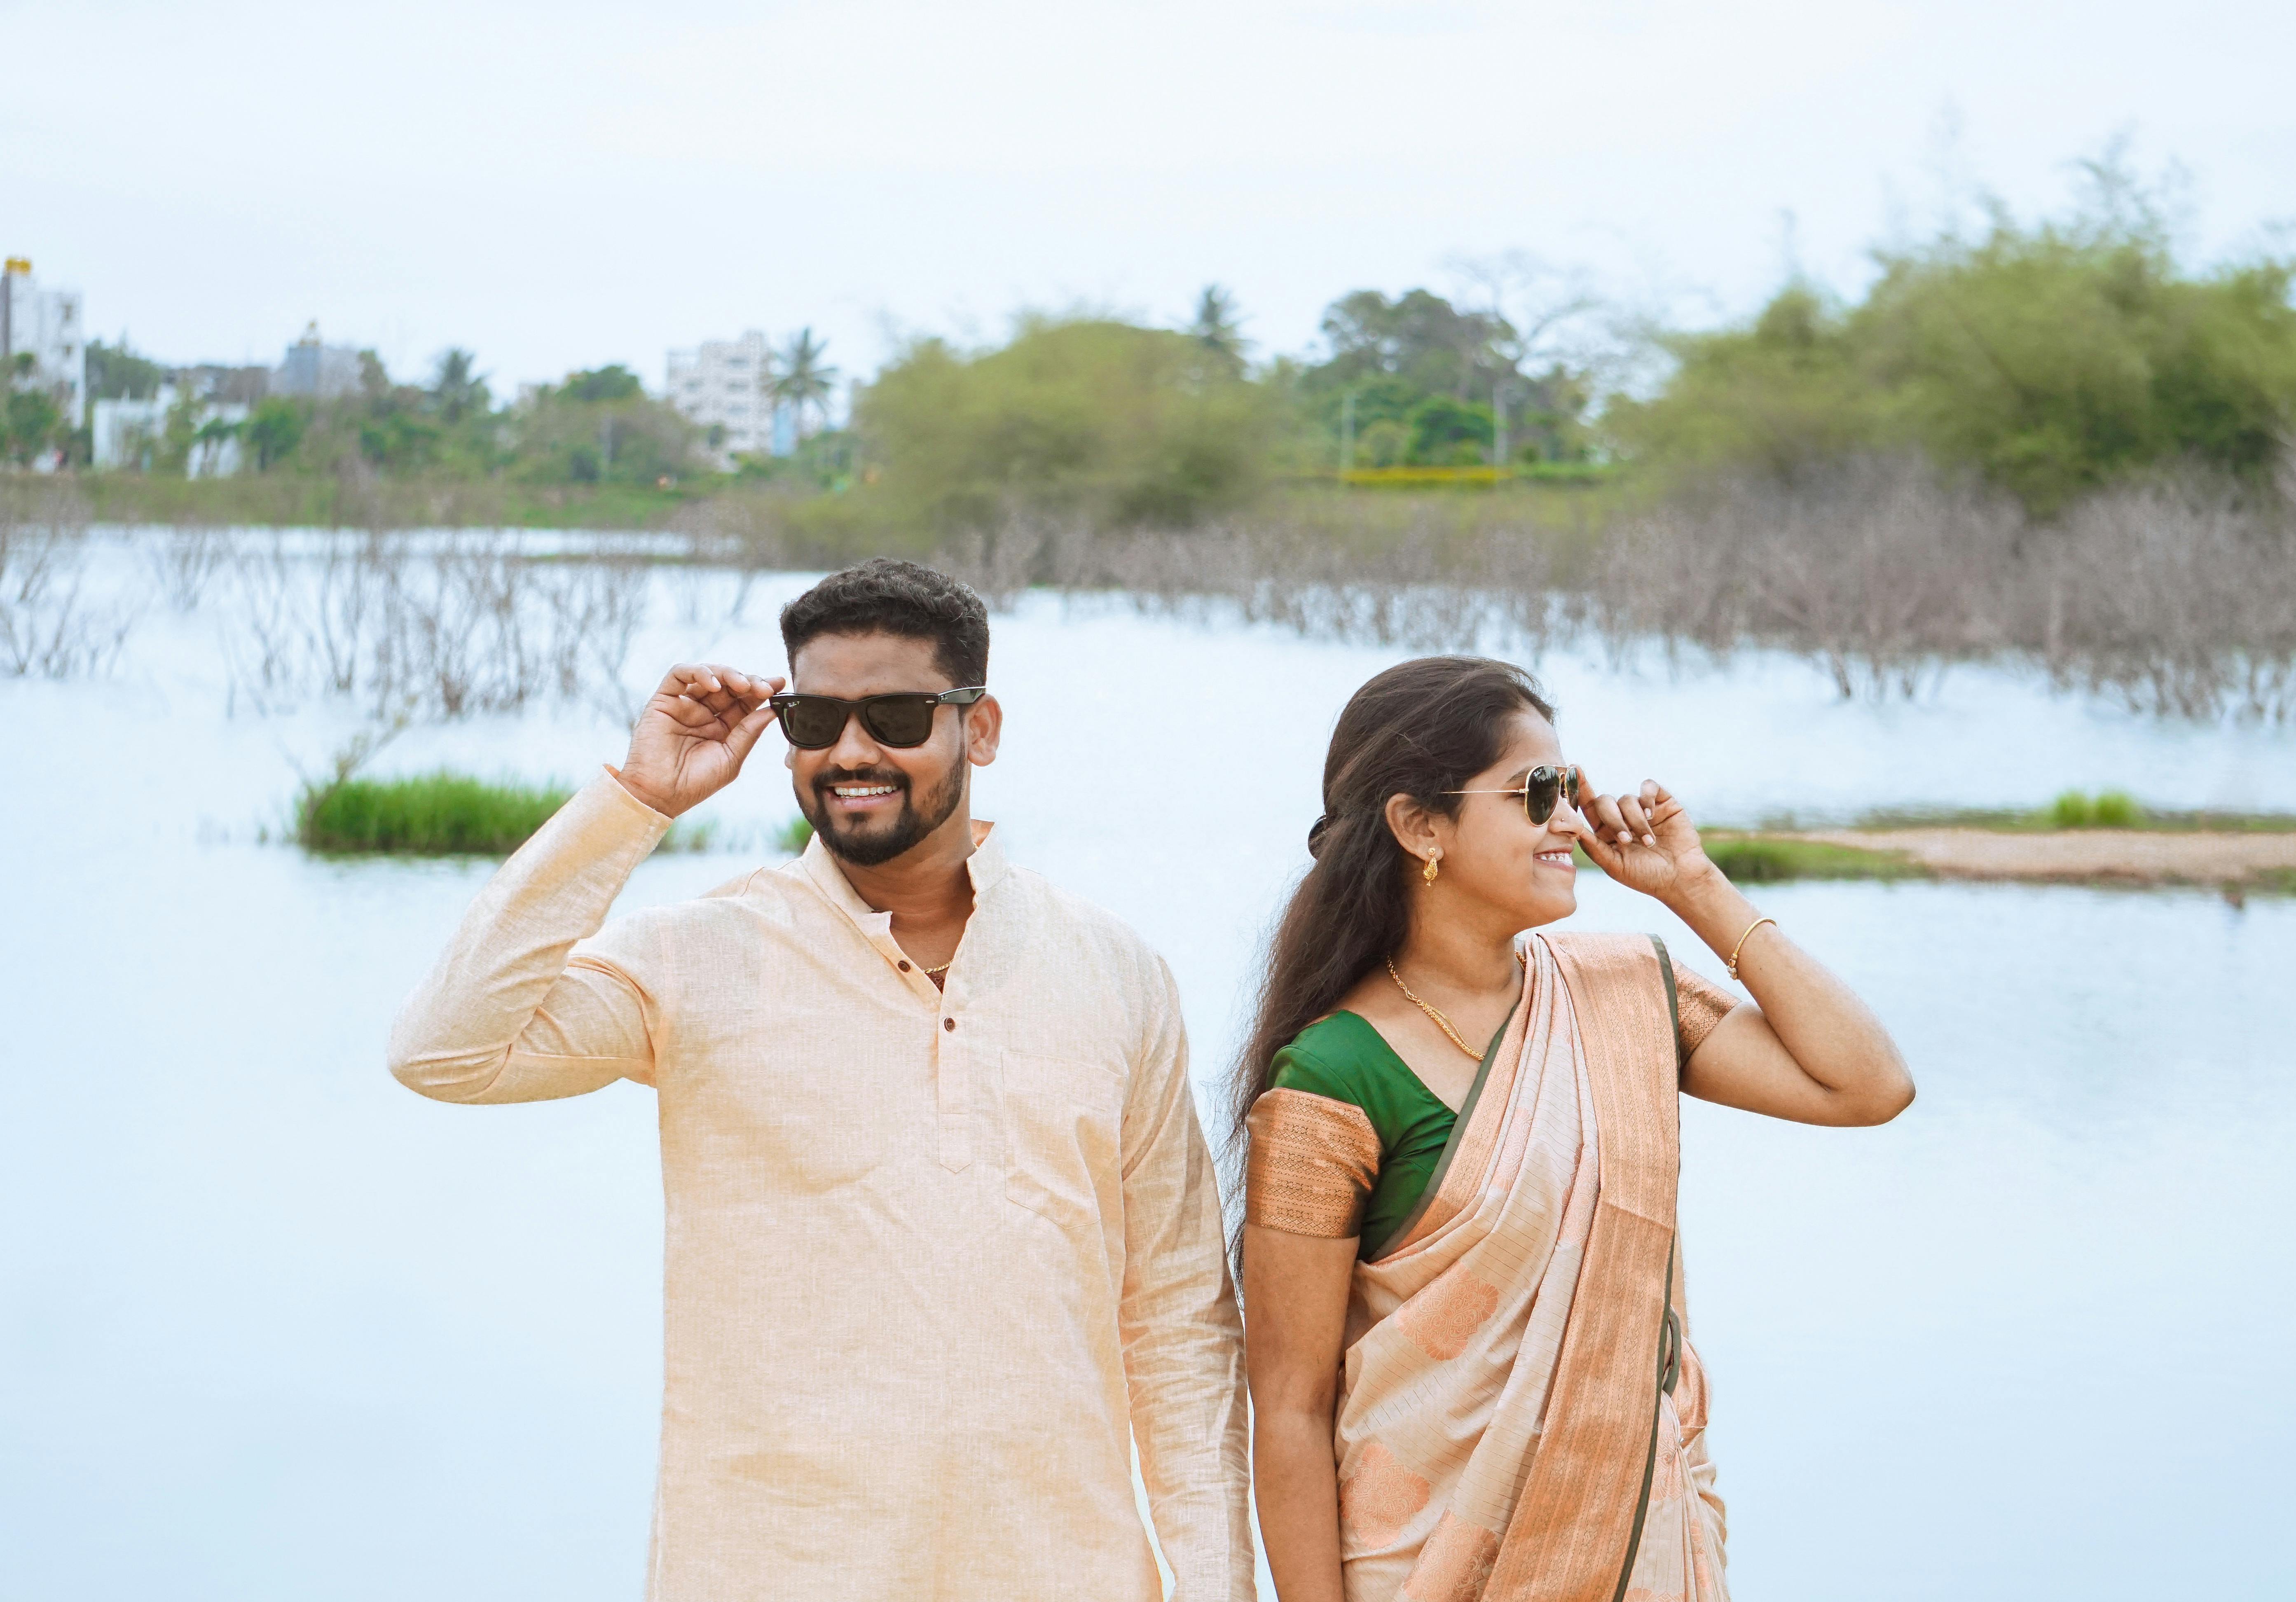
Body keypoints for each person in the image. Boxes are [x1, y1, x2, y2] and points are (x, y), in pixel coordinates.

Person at [389, 559, 1252, 1602]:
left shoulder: (1112, 969)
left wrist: (1215, 1583)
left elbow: (1176, 1320)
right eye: (815, 719)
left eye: (893, 714)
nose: (851, 752)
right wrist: (636, 801)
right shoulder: (700, 955)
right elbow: (445, 1050)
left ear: (978, 729)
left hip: (1063, 1569)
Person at [1237, 656, 1914, 1602]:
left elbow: (1867, 1083)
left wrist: (1693, 885)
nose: (1570, 819)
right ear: (1419, 825)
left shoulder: (1622, 995)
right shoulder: (1336, 1076)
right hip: (1430, 1570)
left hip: (1636, 1560)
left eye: (1567, 787)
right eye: (1536, 791)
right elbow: (1292, 1408)